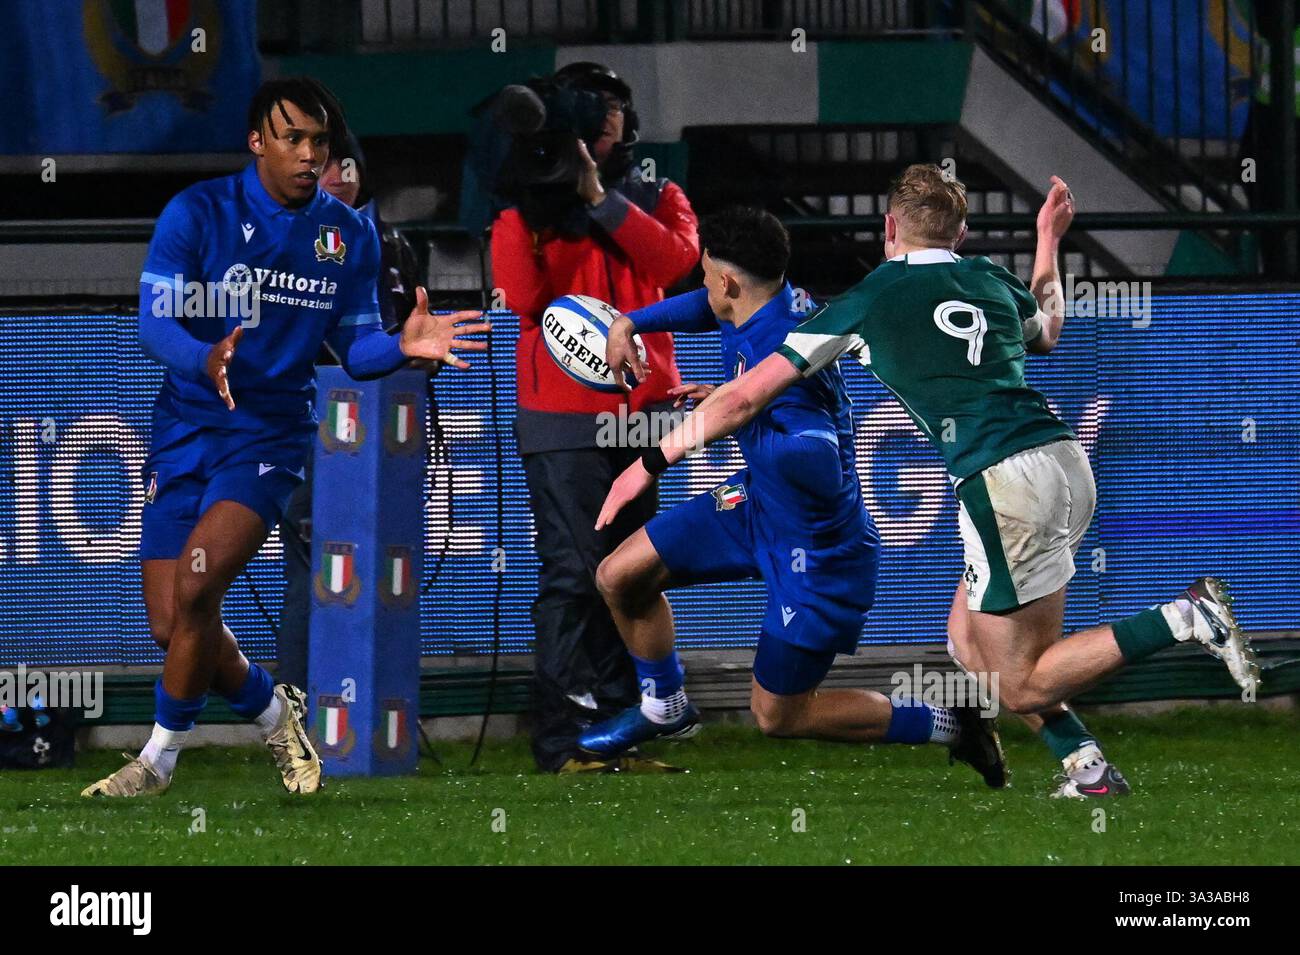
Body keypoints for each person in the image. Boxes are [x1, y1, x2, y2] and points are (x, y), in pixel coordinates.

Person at [595, 165, 1261, 796]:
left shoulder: (870, 297)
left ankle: (1183, 615)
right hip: (1060, 459)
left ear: (889, 229)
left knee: (1019, 680)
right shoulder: (987, 278)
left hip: (1001, 480)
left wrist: (645, 463)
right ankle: (1087, 768)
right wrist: (1046, 244)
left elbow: (745, 402)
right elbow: (1049, 330)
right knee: (967, 642)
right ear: (961, 234)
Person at [83, 77, 489, 798]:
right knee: (172, 621)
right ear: (257, 142)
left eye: (320, 141)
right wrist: (203, 358)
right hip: (185, 426)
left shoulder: (348, 233)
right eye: (293, 138)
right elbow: (154, 322)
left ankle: (157, 762)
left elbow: (355, 350)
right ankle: (276, 712)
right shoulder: (198, 212)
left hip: (268, 434)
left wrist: (402, 344)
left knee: (200, 583)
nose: (310, 155)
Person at [576, 208, 1005, 785]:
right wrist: (633, 321)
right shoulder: (768, 300)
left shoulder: (785, 343)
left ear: (729, 281)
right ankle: (665, 707)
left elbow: (817, 457)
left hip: (820, 551)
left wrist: (731, 410)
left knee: (779, 715)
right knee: (618, 576)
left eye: (706, 277)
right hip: (753, 506)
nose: (704, 289)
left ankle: (954, 724)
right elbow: (707, 309)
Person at [489, 62, 700, 773]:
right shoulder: (525, 204)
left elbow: (677, 265)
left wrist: (600, 200)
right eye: (595, 104)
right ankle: (563, 742)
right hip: (561, 417)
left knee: (631, 575)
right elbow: (520, 295)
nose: (607, 115)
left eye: (616, 103)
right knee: (576, 576)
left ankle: (619, 733)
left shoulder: (659, 193)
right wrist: (535, 204)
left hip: (642, 418)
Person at [278, 130, 422, 690]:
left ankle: (370, 704)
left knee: (380, 562)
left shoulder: (391, 244)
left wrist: (416, 355)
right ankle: (293, 717)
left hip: (384, 435)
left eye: (340, 163)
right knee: (311, 569)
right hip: (311, 430)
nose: (329, 172)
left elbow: (404, 336)